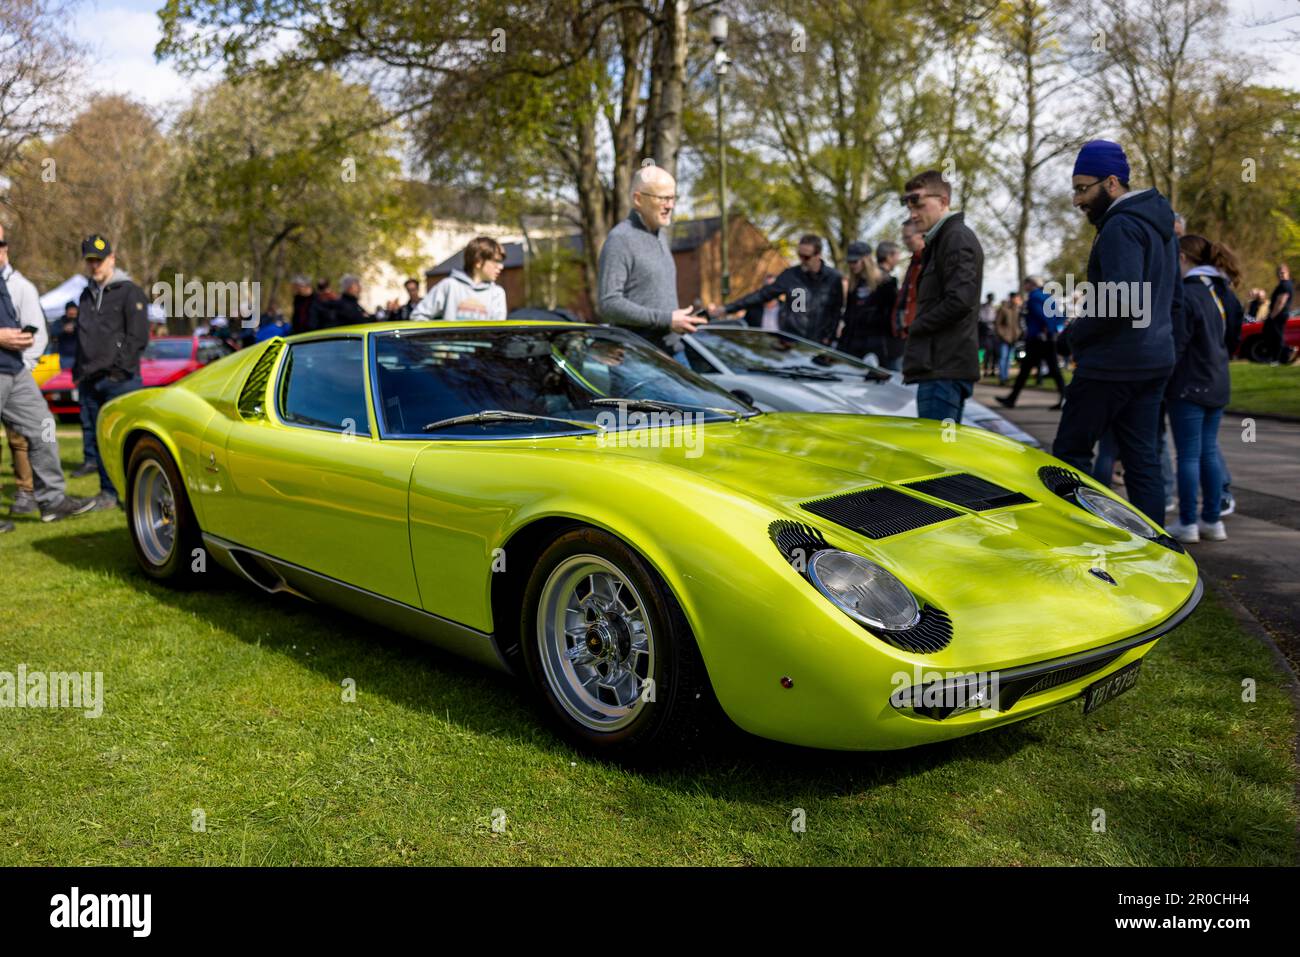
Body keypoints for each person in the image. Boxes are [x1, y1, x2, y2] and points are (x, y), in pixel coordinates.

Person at [1051, 140, 1181, 524]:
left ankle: (1081, 542)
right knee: (1143, 462)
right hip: (1153, 361)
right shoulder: (1160, 226)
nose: (1076, 200)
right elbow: (1173, 300)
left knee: (1069, 456)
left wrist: (1075, 334)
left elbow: (1124, 301)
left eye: (1082, 188)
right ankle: (1157, 557)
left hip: (1113, 364)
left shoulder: (1121, 226)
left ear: (1111, 183)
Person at [0, 224, 96, 531]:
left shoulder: (16, 284)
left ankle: (52, 501)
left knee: (44, 427)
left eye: (2, 242)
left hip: (14, 370)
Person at [1164, 235, 1236, 543]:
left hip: (1190, 384)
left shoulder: (1188, 294)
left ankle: (1188, 522)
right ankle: (1212, 520)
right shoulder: (1223, 291)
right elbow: (1232, 339)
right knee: (1207, 452)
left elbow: (1176, 345)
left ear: (1182, 257)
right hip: (1218, 380)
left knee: (1189, 456)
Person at [899, 169, 983, 423]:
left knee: (935, 458)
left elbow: (960, 301)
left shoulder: (955, 238)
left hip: (943, 369)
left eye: (919, 204)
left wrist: (916, 325)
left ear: (943, 201)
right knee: (940, 456)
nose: (913, 214)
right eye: (909, 206)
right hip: (939, 366)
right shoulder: (944, 239)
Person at [75, 233, 151, 510]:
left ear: (112, 259)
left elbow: (138, 336)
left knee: (126, 441)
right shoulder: (85, 294)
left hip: (120, 382)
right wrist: (79, 374)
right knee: (100, 443)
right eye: (90, 261)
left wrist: (119, 372)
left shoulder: (129, 292)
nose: (94, 266)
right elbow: (83, 337)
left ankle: (137, 496)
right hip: (90, 382)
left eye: (99, 260)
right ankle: (108, 494)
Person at [597, 164, 704, 357]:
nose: (670, 205)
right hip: (638, 358)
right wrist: (667, 319)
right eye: (663, 198)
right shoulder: (620, 239)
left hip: (673, 352)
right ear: (638, 199)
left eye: (672, 198)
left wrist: (679, 321)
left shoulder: (661, 236)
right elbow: (609, 303)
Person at [714, 234, 843, 344]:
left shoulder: (833, 278)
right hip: (792, 341)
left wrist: (829, 337)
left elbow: (836, 312)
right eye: (799, 255)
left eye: (806, 257)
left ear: (818, 255)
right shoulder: (791, 275)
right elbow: (762, 295)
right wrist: (727, 309)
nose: (801, 260)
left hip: (819, 343)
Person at [997, 277, 1066, 408]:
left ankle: (1012, 399)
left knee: (1026, 370)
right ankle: (1064, 397)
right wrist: (1053, 329)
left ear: (1032, 284)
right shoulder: (1048, 297)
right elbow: (1060, 316)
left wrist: (1045, 327)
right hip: (1048, 339)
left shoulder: (1033, 297)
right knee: (1053, 370)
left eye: (1026, 283)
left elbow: (1040, 316)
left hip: (1036, 339)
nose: (1024, 286)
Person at [414, 238, 509, 323]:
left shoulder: (497, 293)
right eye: (496, 261)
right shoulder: (449, 285)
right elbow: (418, 316)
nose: (501, 266)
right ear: (478, 262)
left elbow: (498, 334)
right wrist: (439, 340)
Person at [1262, 264, 1292, 364]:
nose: (1280, 275)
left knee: (1276, 337)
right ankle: (1283, 354)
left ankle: (1279, 358)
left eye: (1282, 273)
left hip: (1279, 315)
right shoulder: (1283, 284)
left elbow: (1281, 302)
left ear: (1288, 273)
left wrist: (1272, 316)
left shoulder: (1285, 285)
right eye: (1279, 273)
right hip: (1278, 314)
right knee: (1273, 336)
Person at [994, 291, 1022, 385]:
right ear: (1012, 298)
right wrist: (1002, 335)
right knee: (1003, 357)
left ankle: (1006, 377)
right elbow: (997, 324)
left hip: (1014, 338)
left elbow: (1019, 324)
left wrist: (1018, 333)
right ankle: (1002, 378)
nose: (1018, 300)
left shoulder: (1017, 310)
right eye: (1017, 298)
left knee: (1009, 359)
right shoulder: (1003, 309)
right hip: (1005, 338)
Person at [979, 293, 998, 377]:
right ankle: (986, 370)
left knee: (995, 352)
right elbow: (983, 319)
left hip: (993, 333)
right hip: (986, 332)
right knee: (988, 352)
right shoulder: (983, 307)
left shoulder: (994, 308)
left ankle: (993, 369)